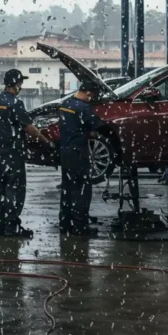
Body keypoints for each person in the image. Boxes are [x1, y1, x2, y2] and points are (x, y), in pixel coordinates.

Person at [0, 69, 52, 238]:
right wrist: (45, 141)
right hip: (12, 154)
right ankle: (11, 227)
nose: (21, 87)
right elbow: (28, 127)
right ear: (16, 84)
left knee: (0, 189)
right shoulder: (15, 103)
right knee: (14, 189)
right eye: (20, 83)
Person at [57, 82, 105, 236]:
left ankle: (65, 223)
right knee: (82, 190)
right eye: (91, 96)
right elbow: (95, 129)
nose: (91, 99)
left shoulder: (65, 103)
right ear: (87, 92)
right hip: (78, 153)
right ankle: (80, 227)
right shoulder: (83, 108)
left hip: (65, 151)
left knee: (67, 189)